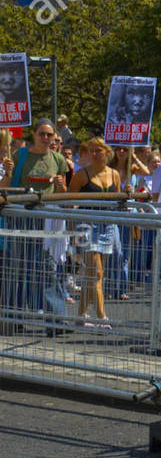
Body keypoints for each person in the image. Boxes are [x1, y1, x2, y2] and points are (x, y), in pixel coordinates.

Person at [2, 119, 69, 320]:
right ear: (34, 135)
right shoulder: (20, 154)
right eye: (42, 134)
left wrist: (59, 185)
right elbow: (6, 185)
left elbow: (64, 192)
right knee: (19, 265)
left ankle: (55, 318)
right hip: (21, 217)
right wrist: (7, 171)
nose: (46, 138)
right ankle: (14, 316)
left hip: (46, 218)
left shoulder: (58, 159)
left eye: (50, 135)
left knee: (47, 265)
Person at [68, 138, 121, 328]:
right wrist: (72, 228)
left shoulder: (115, 174)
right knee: (97, 272)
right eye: (91, 150)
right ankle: (101, 316)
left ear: (107, 152)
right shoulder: (82, 175)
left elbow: (118, 198)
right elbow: (69, 200)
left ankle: (81, 315)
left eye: (98, 150)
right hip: (86, 225)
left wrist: (128, 193)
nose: (94, 154)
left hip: (107, 225)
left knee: (93, 273)